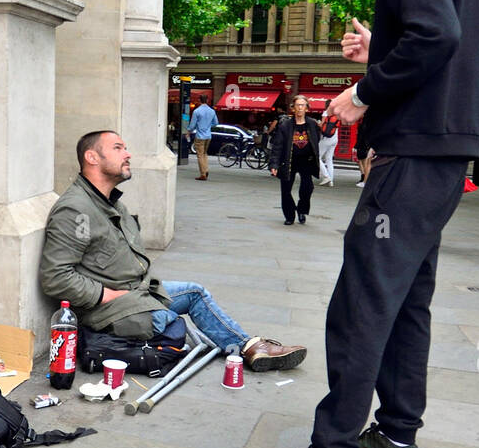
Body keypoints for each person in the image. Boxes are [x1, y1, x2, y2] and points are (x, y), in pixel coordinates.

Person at [251, 0, 479, 448]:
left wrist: (362, 92)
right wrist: (377, 48)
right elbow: (447, 38)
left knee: (360, 304)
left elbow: (434, 37)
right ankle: (397, 434)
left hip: (412, 155)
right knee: (408, 300)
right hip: (447, 152)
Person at [39, 130, 307, 370]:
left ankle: (248, 348)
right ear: (92, 158)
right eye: (118, 148)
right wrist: (105, 295)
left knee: (194, 292)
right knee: (168, 322)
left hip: (138, 293)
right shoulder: (76, 209)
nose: (128, 154)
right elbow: (56, 277)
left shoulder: (110, 204)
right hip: (110, 309)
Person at [268, 95, 323, 224]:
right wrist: (274, 164)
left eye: (302, 105)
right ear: (293, 108)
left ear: (307, 108)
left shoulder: (312, 124)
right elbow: (278, 146)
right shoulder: (285, 125)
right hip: (289, 160)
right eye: (297, 105)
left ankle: (301, 210)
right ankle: (289, 215)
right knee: (286, 189)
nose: (300, 108)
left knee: (307, 188)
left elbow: (316, 140)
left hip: (306, 161)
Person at [188, 98, 219, 179]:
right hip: (208, 135)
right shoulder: (212, 111)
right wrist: (208, 126)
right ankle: (206, 169)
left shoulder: (197, 111)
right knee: (205, 153)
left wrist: (188, 131)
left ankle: (203, 173)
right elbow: (216, 123)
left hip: (200, 136)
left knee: (200, 155)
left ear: (199, 101)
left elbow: (192, 125)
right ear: (207, 101)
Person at [317, 110, 340, 184]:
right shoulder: (337, 113)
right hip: (335, 139)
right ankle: (331, 181)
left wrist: (317, 123)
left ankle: (326, 176)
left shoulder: (326, 112)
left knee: (317, 157)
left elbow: (322, 125)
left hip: (326, 139)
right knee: (329, 160)